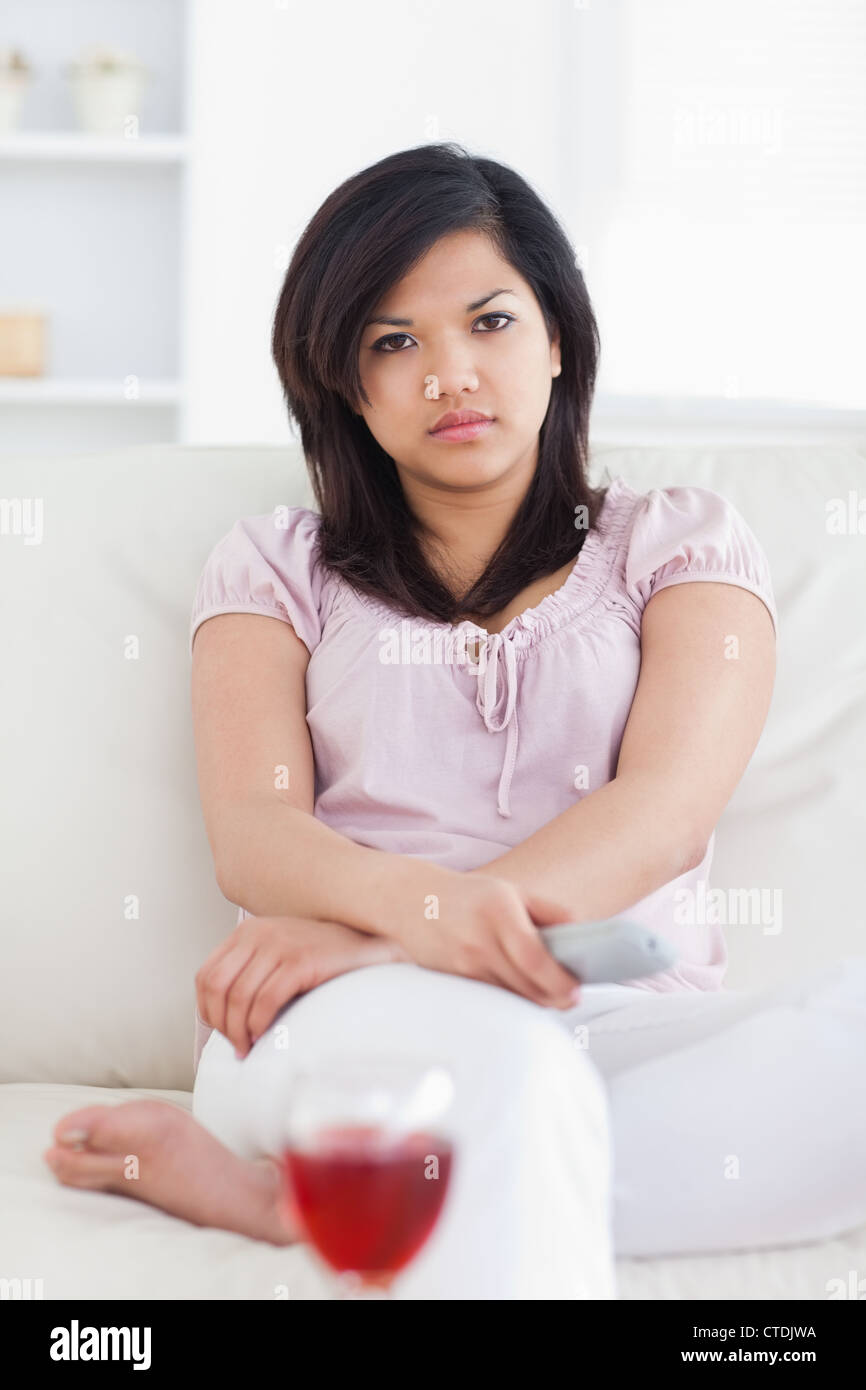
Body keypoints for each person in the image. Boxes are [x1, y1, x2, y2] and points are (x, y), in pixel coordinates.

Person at [43, 143, 866, 1298]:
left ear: (557, 338)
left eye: (489, 322)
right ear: (342, 384)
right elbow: (256, 834)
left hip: (614, 1020)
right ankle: (375, 1182)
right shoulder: (275, 567)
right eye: (393, 343)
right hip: (335, 1020)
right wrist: (403, 950)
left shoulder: (680, 544)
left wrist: (394, 924)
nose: (448, 374)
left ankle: (308, 1203)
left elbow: (663, 814)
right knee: (517, 1077)